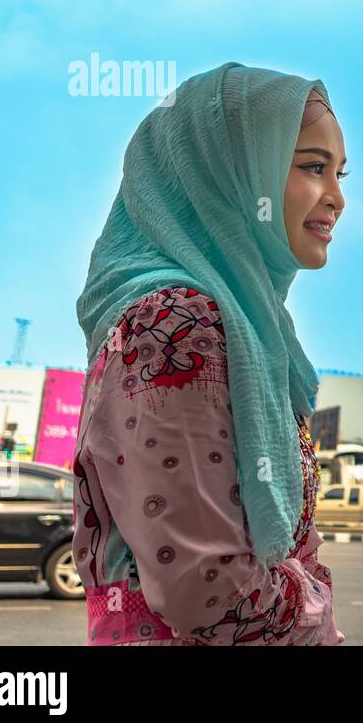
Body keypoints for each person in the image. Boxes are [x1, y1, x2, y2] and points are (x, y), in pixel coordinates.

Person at [71, 63, 347, 646]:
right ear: (228, 174)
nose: (338, 198)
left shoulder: (253, 330)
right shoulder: (172, 321)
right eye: (312, 167)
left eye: (341, 173)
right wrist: (318, 611)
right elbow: (211, 593)